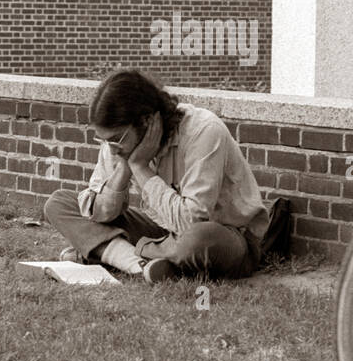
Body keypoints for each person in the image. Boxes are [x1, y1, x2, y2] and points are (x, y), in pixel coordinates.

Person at [43, 68, 269, 283]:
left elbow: (190, 222)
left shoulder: (204, 131)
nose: (110, 148)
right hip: (161, 229)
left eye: (116, 139)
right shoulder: (118, 143)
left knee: (197, 240)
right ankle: (140, 264)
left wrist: (141, 167)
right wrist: (124, 168)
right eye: (104, 140)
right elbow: (100, 214)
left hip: (225, 236)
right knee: (60, 203)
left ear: (146, 121)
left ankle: (110, 252)